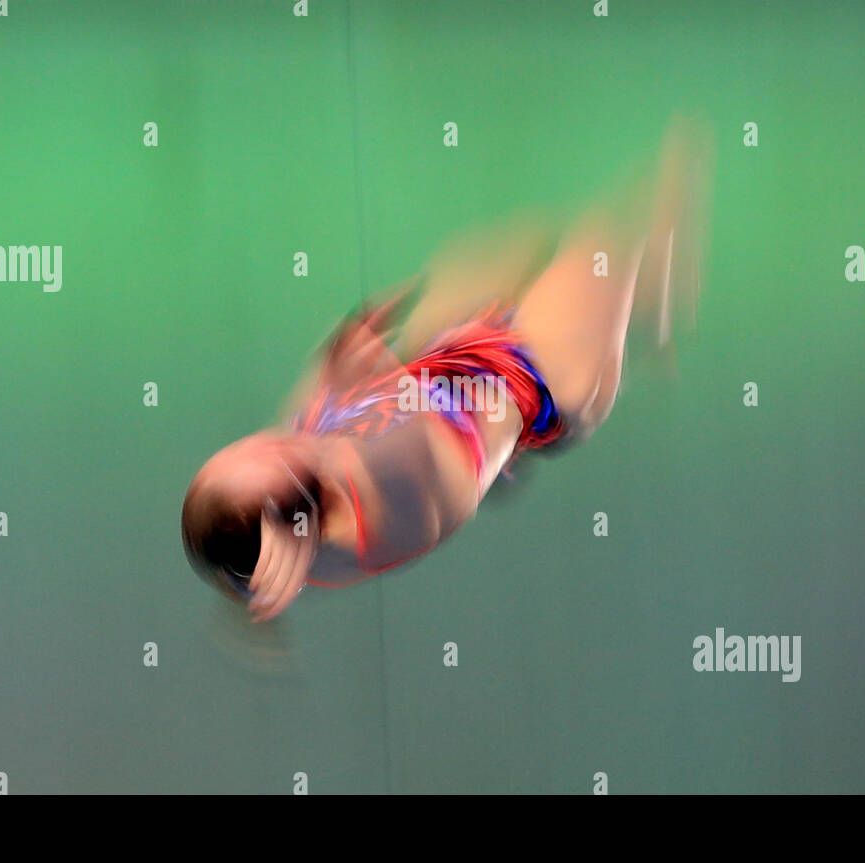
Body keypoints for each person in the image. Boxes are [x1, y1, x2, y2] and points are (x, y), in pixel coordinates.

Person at [182, 125, 710, 622]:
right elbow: (391, 425)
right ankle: (659, 307)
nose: (269, 439)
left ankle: (640, 314)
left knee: (513, 242)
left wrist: (335, 366)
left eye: (248, 444)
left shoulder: (298, 491)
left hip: (453, 363)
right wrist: (352, 376)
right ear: (297, 517)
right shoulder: (385, 509)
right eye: (266, 454)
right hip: (540, 375)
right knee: (613, 230)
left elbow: (312, 433)